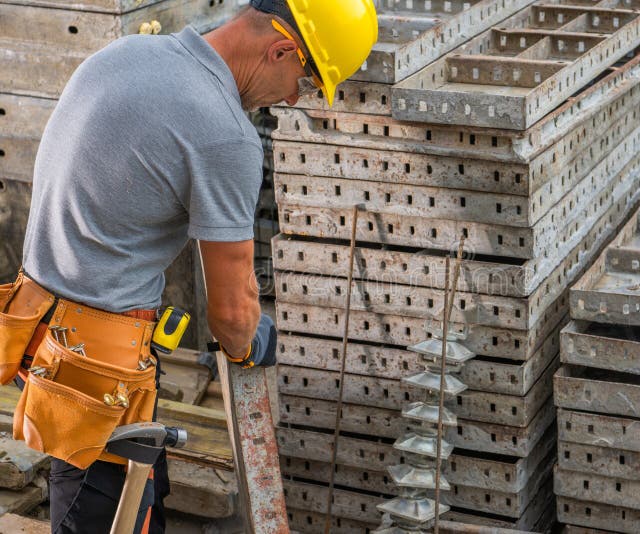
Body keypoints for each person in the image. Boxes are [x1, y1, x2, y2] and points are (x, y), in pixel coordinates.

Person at [7, 0, 378, 532]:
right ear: (280, 48)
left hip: (43, 335)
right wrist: (248, 339)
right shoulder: (225, 134)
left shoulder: (130, 51)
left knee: (119, 490)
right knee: (105, 514)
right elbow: (230, 313)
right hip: (102, 377)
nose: (295, 97)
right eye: (307, 79)